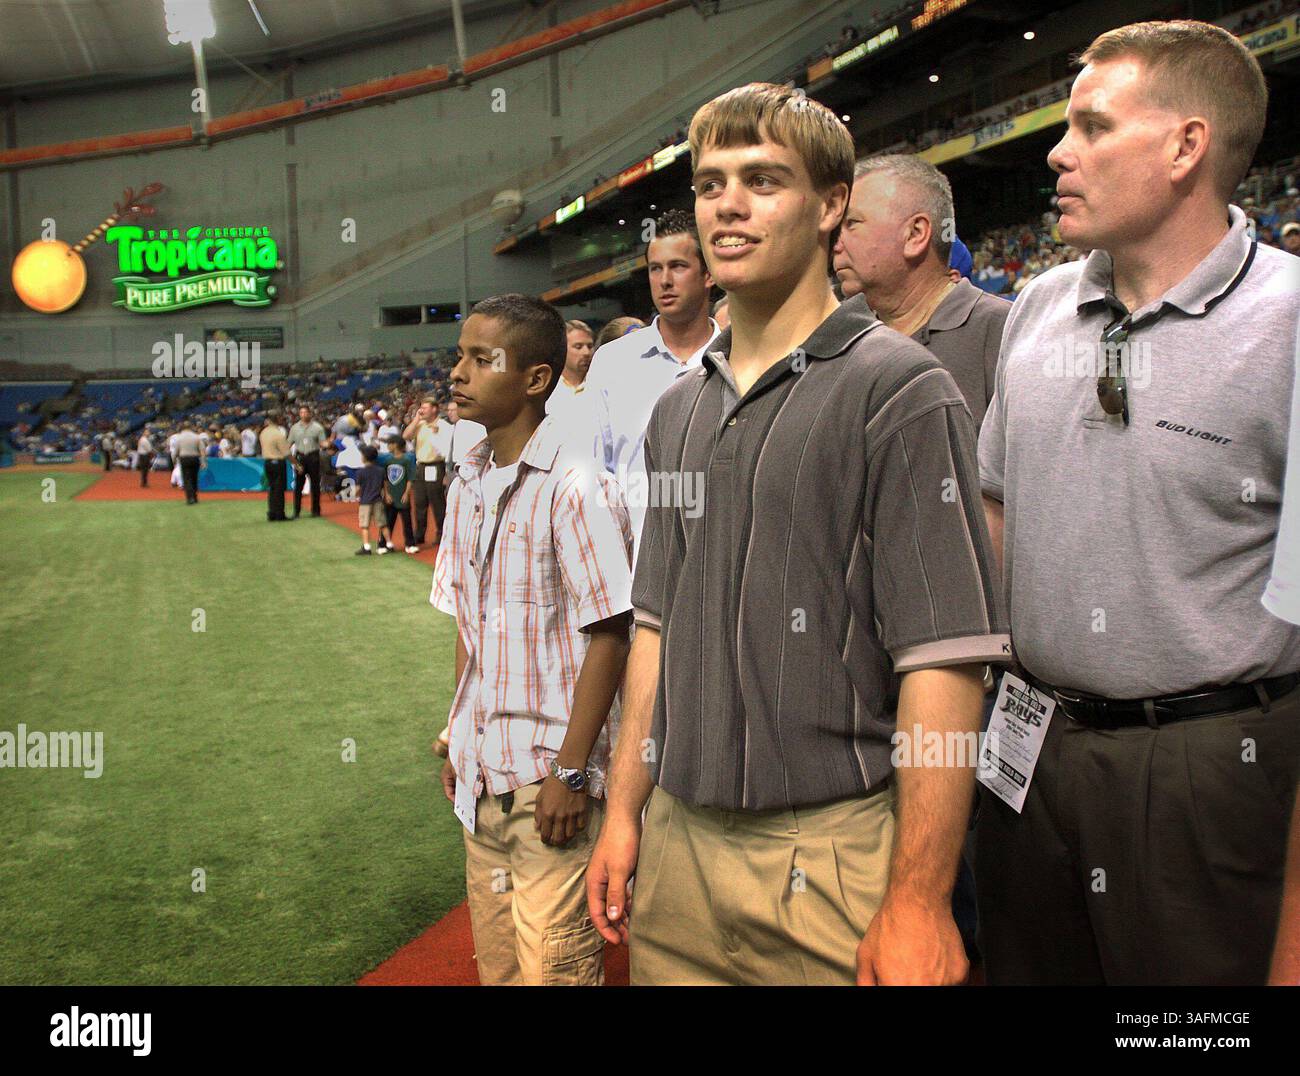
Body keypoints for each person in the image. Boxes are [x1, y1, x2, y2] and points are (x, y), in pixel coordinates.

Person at [586, 82, 1009, 986]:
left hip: (834, 855)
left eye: (763, 180)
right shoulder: (675, 412)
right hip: (679, 849)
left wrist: (921, 900)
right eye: (709, 184)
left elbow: (945, 659)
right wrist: (624, 811)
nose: (726, 205)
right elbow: (655, 625)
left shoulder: (902, 390)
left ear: (830, 206)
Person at [976, 19, 1300, 985]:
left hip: (1206, 761)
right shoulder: (1037, 307)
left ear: (1185, 146)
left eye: (1090, 125)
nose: (1056, 151)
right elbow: (996, 509)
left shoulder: (1286, 322)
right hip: (1028, 743)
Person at [431, 293, 634, 986]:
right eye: (459, 354)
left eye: (480, 358)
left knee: (557, 973)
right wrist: (459, 732)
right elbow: (470, 624)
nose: (457, 371)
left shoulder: (576, 482)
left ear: (535, 379)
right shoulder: (467, 481)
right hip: (483, 777)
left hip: (550, 782)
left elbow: (611, 632)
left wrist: (573, 771)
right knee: (502, 972)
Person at [834, 154, 1009, 430]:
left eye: (851, 223)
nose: (835, 243)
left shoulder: (1004, 331)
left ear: (915, 235)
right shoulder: (840, 343)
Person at [580, 207, 721, 548]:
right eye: (655, 269)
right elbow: (593, 471)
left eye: (678, 266)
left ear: (708, 275)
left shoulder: (739, 358)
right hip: (635, 572)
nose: (664, 280)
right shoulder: (613, 362)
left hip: (721, 570)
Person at [403, 397, 448, 548]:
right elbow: (406, 436)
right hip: (420, 466)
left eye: (425, 407)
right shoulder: (420, 424)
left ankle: (441, 533)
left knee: (437, 502)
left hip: (436, 465)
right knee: (419, 502)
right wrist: (416, 419)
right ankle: (419, 534)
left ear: (434, 409)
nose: (422, 410)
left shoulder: (443, 425)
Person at [545, 320, 595, 418]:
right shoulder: (548, 387)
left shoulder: (599, 383)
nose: (586, 352)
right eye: (578, 346)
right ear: (561, 349)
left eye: (590, 346)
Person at [378, 433, 417, 554]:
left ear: (395, 445)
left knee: (407, 521)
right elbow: (385, 479)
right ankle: (382, 544)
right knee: (388, 521)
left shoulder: (407, 460)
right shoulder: (388, 460)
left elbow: (410, 478)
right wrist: (387, 493)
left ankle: (410, 544)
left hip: (402, 495)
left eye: (390, 444)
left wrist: (406, 493)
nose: (388, 446)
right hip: (391, 495)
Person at [287, 405, 328, 518]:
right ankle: (296, 511)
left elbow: (323, 442)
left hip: (313, 456)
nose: (304, 414)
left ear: (310, 413)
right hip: (300, 456)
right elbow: (289, 443)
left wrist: (327, 444)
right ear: (299, 414)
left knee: (315, 485)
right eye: (301, 412)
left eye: (306, 412)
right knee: (298, 485)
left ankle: (315, 510)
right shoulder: (294, 428)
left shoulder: (317, 427)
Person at [441, 398, 487, 488]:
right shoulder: (450, 428)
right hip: (452, 468)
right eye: (448, 410)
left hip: (467, 468)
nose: (449, 413)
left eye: (452, 410)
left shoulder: (472, 426)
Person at [259, 413, 290, 522]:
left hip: (267, 462)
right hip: (278, 462)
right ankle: (279, 514)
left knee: (272, 488)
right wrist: (296, 463)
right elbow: (286, 452)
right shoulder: (278, 434)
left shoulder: (263, 432)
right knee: (279, 489)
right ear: (277, 420)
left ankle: (271, 512)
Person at [354, 443, 384, 555]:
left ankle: (366, 547)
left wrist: (354, 495)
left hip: (365, 501)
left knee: (364, 525)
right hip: (378, 500)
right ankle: (387, 543)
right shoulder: (380, 470)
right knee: (382, 523)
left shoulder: (360, 472)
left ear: (364, 457)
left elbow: (357, 489)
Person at [174, 420, 203, 505]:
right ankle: (195, 496)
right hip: (195, 457)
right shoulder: (196, 436)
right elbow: (202, 449)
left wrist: (174, 460)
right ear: (191, 427)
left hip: (184, 458)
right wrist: (203, 461)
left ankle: (189, 498)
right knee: (194, 478)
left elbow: (176, 451)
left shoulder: (179, 437)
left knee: (187, 478)